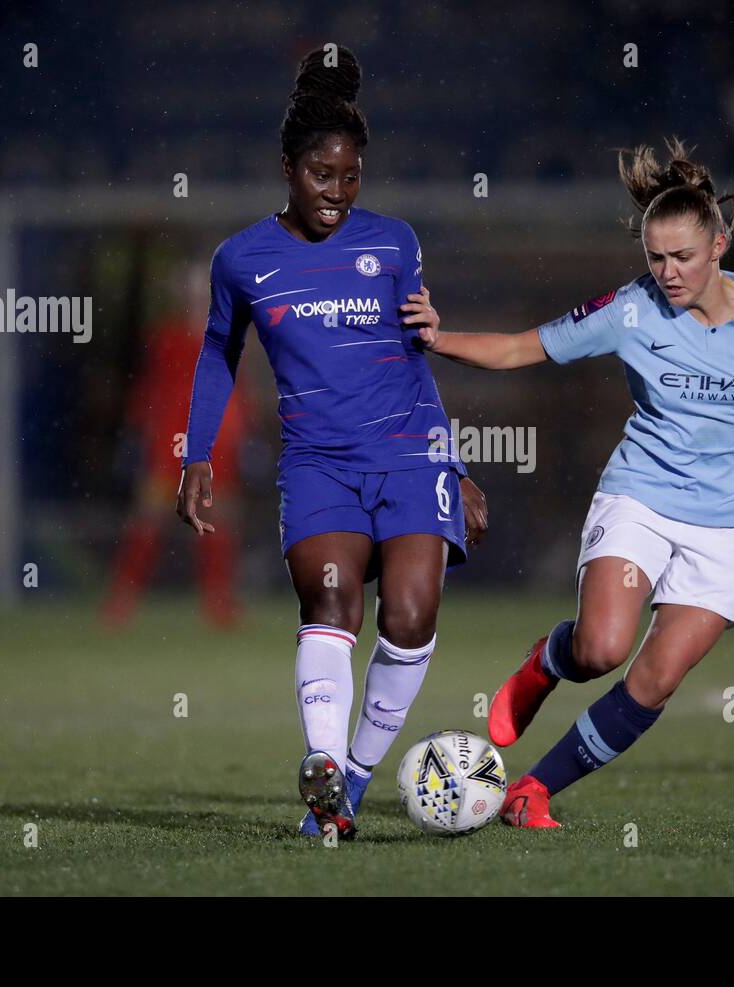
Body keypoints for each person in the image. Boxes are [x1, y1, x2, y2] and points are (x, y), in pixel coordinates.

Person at [409, 138, 734, 827]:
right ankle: (546, 662)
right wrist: (439, 338)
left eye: (682, 256)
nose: (668, 271)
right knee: (602, 649)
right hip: (642, 496)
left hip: (732, 519)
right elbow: (519, 347)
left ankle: (533, 790)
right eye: (655, 256)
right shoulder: (629, 309)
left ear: (720, 245)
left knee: (654, 679)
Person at [176, 45, 487, 838]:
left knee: (411, 614)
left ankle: (345, 787)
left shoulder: (395, 243)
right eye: (322, 175)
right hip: (320, 467)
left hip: (411, 455)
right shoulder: (242, 258)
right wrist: (196, 453)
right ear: (288, 167)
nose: (337, 194)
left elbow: (418, 356)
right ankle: (322, 769)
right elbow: (218, 351)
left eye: (351, 178)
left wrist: (454, 464)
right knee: (333, 597)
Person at [105, 261, 248, 628]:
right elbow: (151, 390)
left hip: (216, 440)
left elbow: (236, 391)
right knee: (148, 519)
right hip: (169, 441)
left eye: (202, 289)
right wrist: (136, 430)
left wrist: (242, 433)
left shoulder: (226, 334)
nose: (196, 295)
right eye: (190, 289)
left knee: (218, 519)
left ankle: (218, 604)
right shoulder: (165, 338)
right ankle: (121, 601)